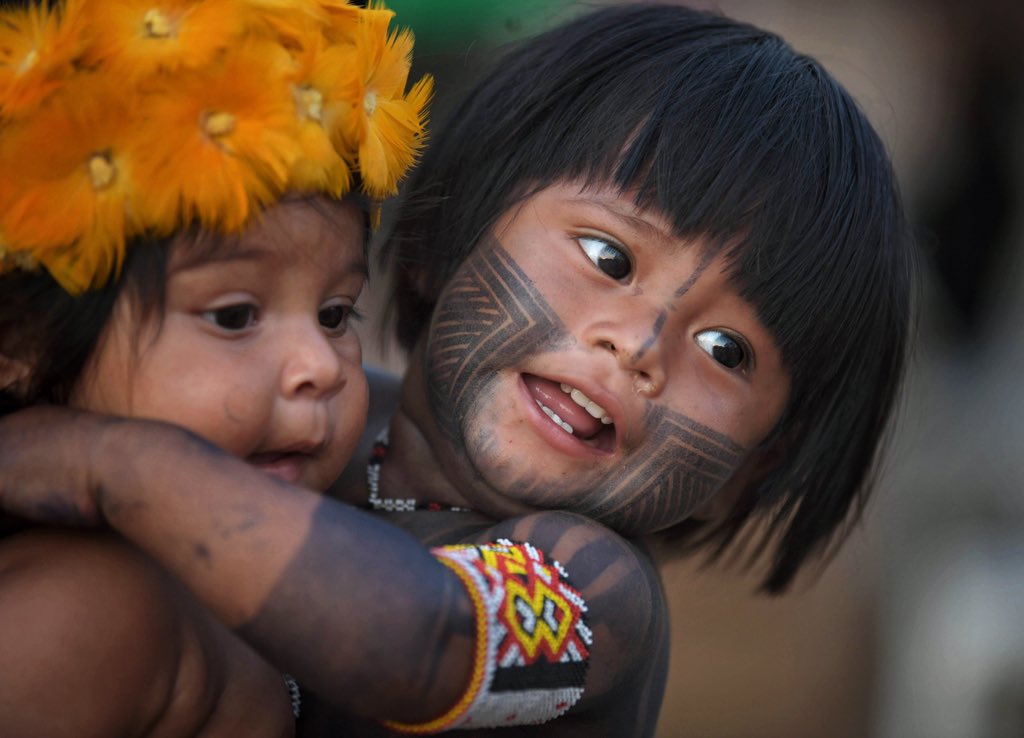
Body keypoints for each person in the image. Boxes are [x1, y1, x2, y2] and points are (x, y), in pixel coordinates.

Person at [0, 3, 913, 736]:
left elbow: (420, 640)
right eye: (607, 256)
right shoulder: (308, 417)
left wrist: (108, 462)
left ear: (750, 469)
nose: (636, 348)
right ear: (441, 243)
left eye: (727, 352)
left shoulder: (594, 588)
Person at [0, 0, 430, 734]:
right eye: (234, 316)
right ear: (22, 342)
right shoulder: (88, 607)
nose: (320, 367)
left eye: (336, 314)